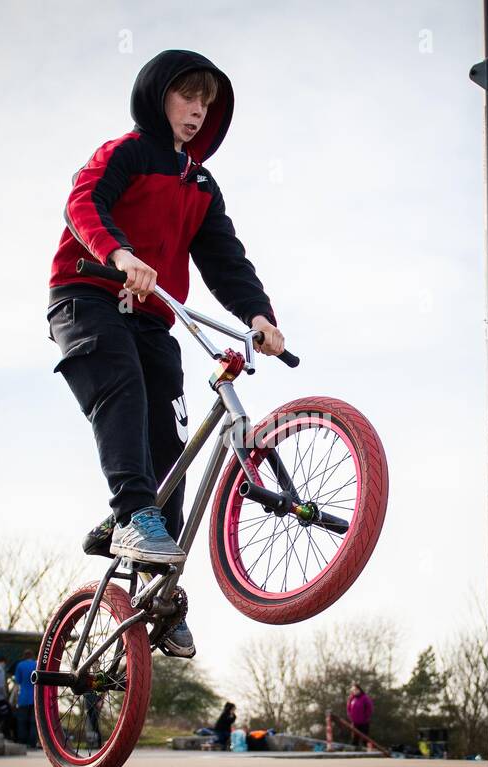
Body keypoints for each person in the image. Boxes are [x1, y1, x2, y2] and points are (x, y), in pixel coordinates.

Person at [47, 49, 286, 661]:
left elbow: (226, 261)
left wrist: (260, 317)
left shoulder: (201, 185)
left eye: (206, 102)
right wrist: (120, 255)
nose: (198, 111)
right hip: (88, 294)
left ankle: (158, 590)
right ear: (160, 98)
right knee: (121, 384)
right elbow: (82, 205)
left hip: (156, 317)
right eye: (187, 97)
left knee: (170, 442)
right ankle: (131, 513)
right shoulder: (126, 152)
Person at [13, 657, 38, 749]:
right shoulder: (36, 664)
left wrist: (14, 699)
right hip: (35, 698)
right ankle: (32, 743)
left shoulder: (20, 665)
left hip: (23, 698)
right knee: (34, 722)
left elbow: (17, 684)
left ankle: (22, 742)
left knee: (22, 721)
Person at [346, 683, 374, 748]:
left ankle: (367, 750)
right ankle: (354, 749)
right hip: (355, 722)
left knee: (364, 737)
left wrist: (366, 717)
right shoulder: (351, 698)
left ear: (359, 690)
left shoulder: (365, 698)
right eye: (353, 690)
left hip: (364, 722)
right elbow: (348, 708)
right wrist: (350, 716)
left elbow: (369, 708)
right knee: (355, 738)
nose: (355, 691)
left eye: (356, 690)